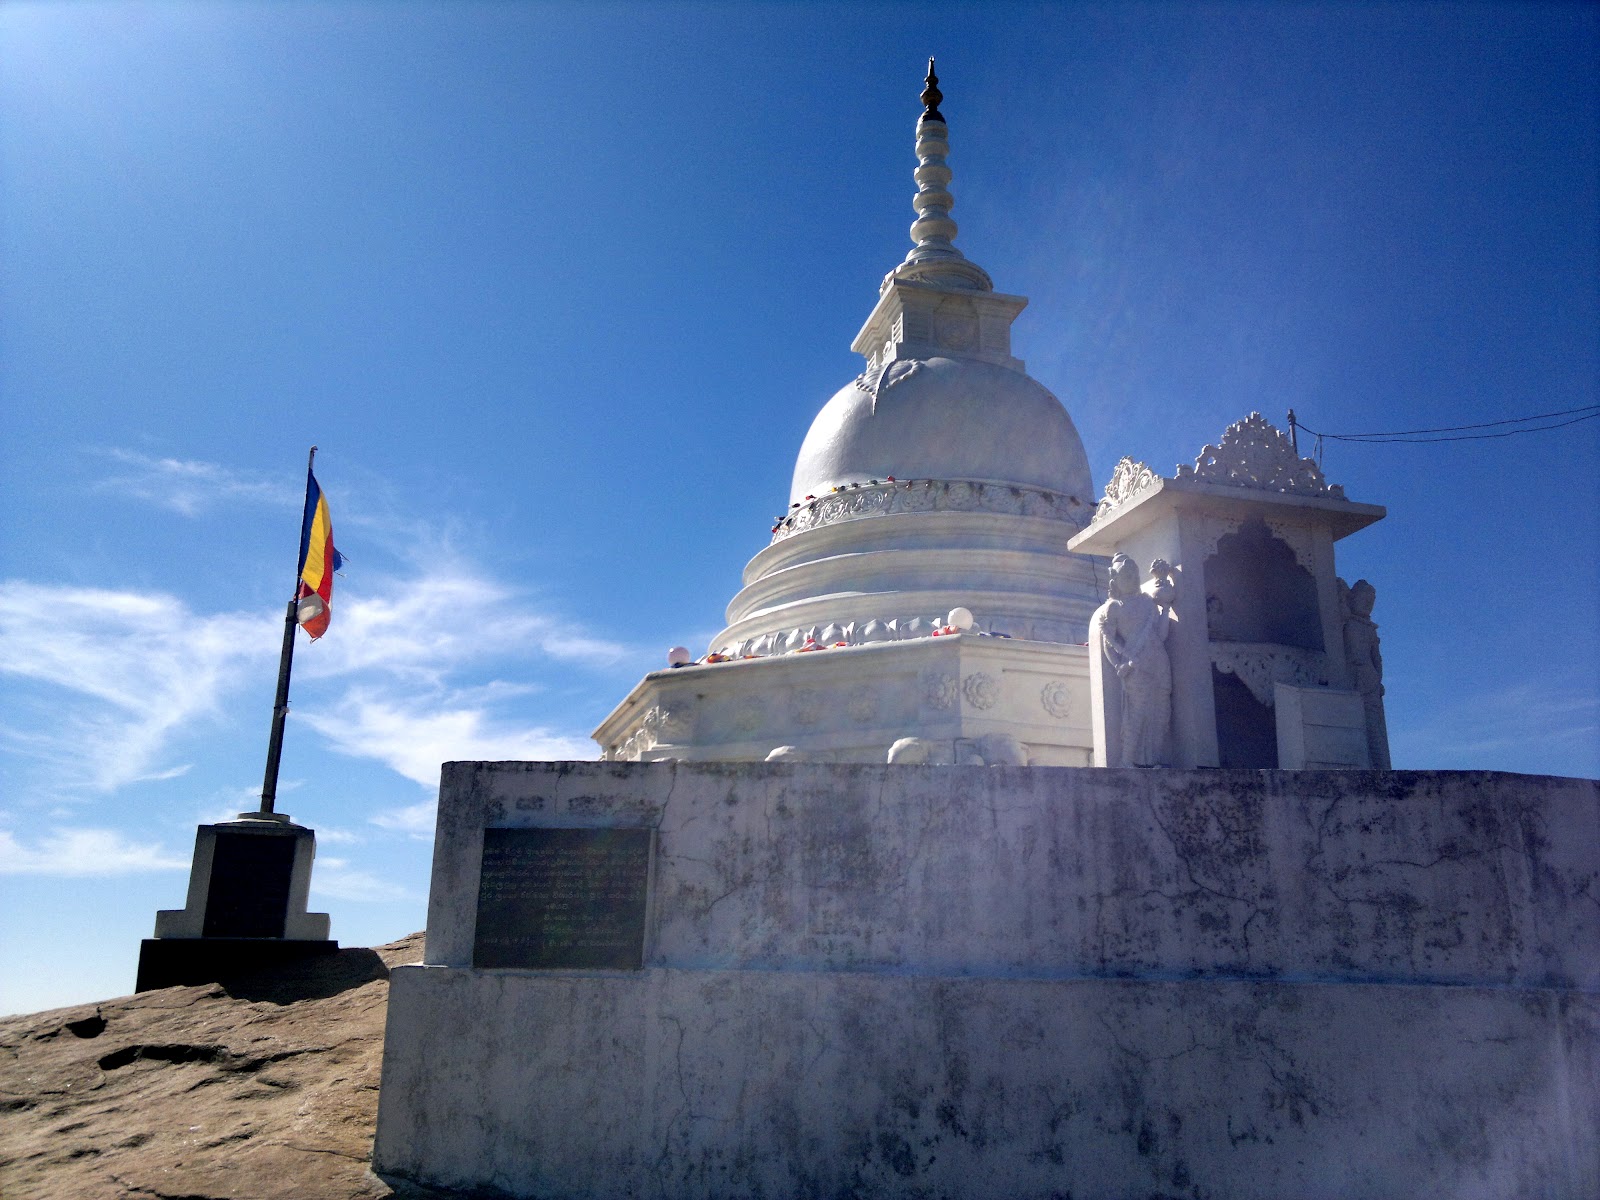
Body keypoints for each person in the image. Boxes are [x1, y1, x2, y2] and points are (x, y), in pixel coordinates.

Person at [1092, 554, 1172, 767]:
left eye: (1134, 574)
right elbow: (1108, 643)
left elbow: (1161, 635)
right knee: (1136, 713)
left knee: (1161, 710)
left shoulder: (1147, 602)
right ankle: (1128, 760)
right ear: (1114, 581)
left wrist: (1165, 610)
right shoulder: (1114, 607)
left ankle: (1156, 758)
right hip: (1135, 665)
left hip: (1158, 660)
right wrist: (1118, 664)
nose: (1132, 579)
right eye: (1126, 575)